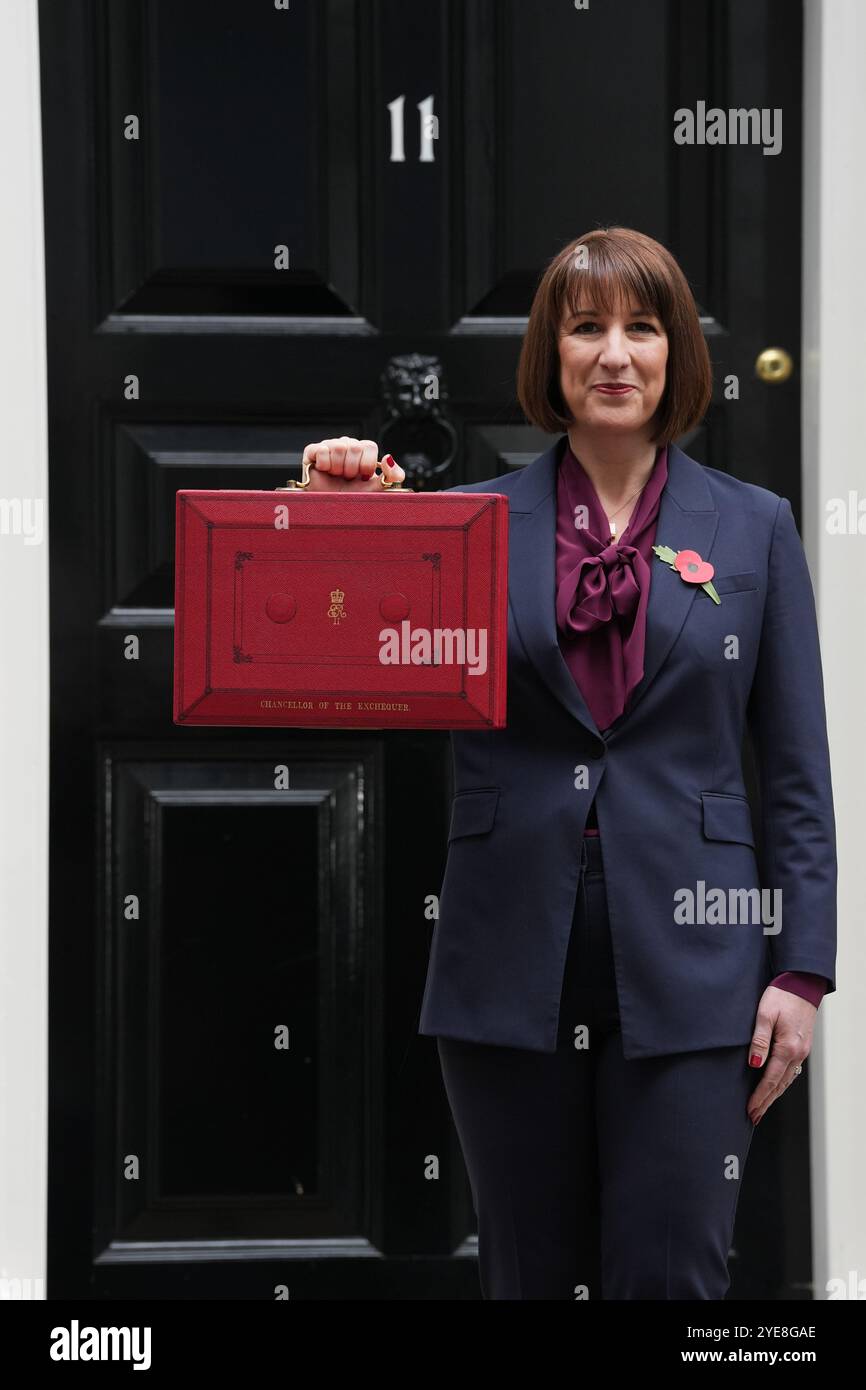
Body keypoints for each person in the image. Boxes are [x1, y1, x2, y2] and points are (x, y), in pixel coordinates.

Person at [300, 226, 836, 1300]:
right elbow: (318, 636)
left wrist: (800, 968)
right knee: (525, 1274)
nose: (613, 354)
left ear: (675, 353)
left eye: (640, 328)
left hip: (697, 967)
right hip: (506, 960)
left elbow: (792, 772)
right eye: (584, 327)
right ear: (550, 355)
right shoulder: (465, 527)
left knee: (673, 1273)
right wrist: (326, 511)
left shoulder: (753, 527)